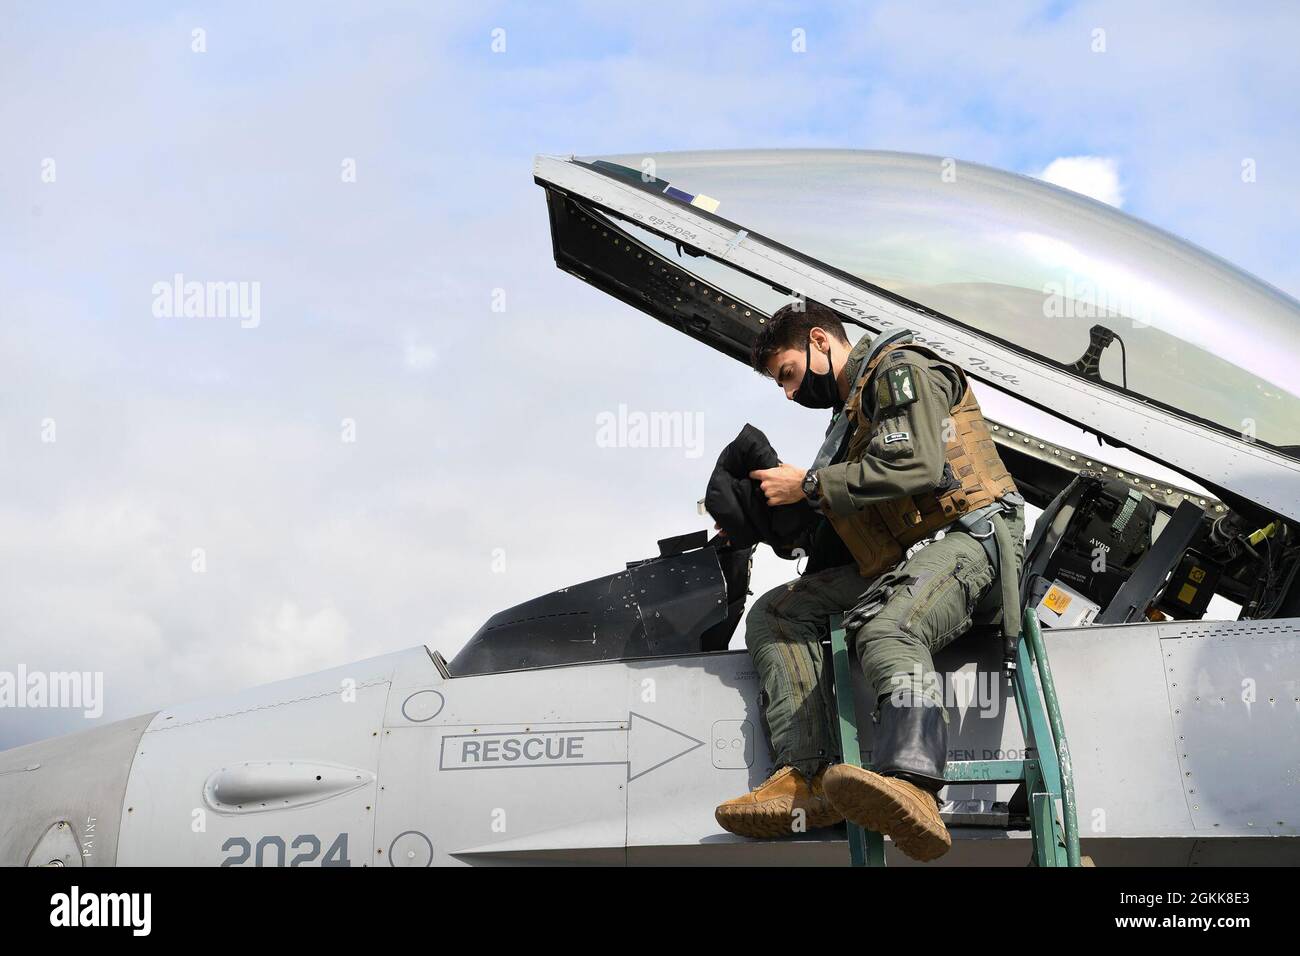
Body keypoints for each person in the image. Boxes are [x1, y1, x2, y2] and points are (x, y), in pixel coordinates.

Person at [713, 300, 1024, 862]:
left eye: (788, 373)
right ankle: (807, 777)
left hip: (972, 542)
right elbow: (850, 511)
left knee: (889, 629)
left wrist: (808, 485)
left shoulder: (900, 370)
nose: (789, 393)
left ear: (820, 341)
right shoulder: (851, 418)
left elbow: (919, 467)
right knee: (778, 613)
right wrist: (757, 517)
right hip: (912, 556)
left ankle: (916, 785)